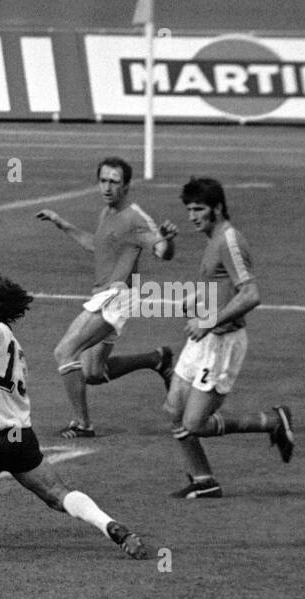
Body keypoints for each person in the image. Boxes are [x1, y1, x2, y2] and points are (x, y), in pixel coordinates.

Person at [0, 274, 149, 559]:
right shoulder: (16, 348)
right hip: (19, 438)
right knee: (58, 494)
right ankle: (111, 526)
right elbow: (0, 398)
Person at [164, 177, 293, 499]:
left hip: (223, 344)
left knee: (194, 423)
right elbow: (220, 285)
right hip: (204, 340)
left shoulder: (229, 240)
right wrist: (194, 299)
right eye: (189, 209)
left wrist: (208, 321)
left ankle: (271, 422)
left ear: (218, 208)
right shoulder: (213, 238)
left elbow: (250, 294)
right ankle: (204, 480)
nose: (193, 216)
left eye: (199, 209)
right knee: (173, 410)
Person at [37, 156, 178, 438]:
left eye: (114, 182)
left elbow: (162, 252)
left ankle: (82, 424)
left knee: (64, 352)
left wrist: (167, 239)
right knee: (91, 372)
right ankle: (157, 359)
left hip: (116, 297)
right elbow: (96, 246)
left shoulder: (134, 218)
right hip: (107, 296)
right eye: (103, 180)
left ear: (126, 186)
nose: (107, 187)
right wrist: (62, 224)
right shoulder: (107, 213)